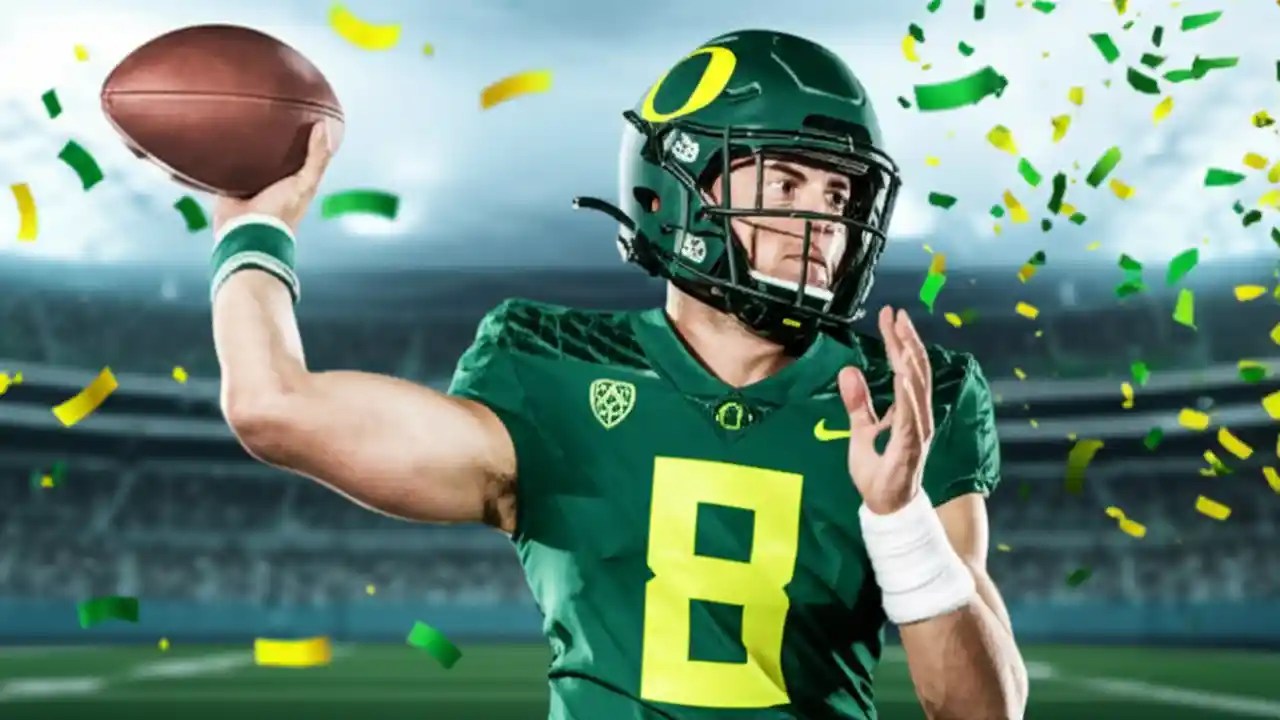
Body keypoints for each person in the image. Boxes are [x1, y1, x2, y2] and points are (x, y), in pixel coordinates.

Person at [211, 28, 1027, 720]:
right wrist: (253, 229)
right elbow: (272, 405)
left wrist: (898, 517)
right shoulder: (551, 371)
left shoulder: (908, 398)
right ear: (679, 192)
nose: (826, 226)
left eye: (843, 195)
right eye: (785, 182)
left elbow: (987, 711)